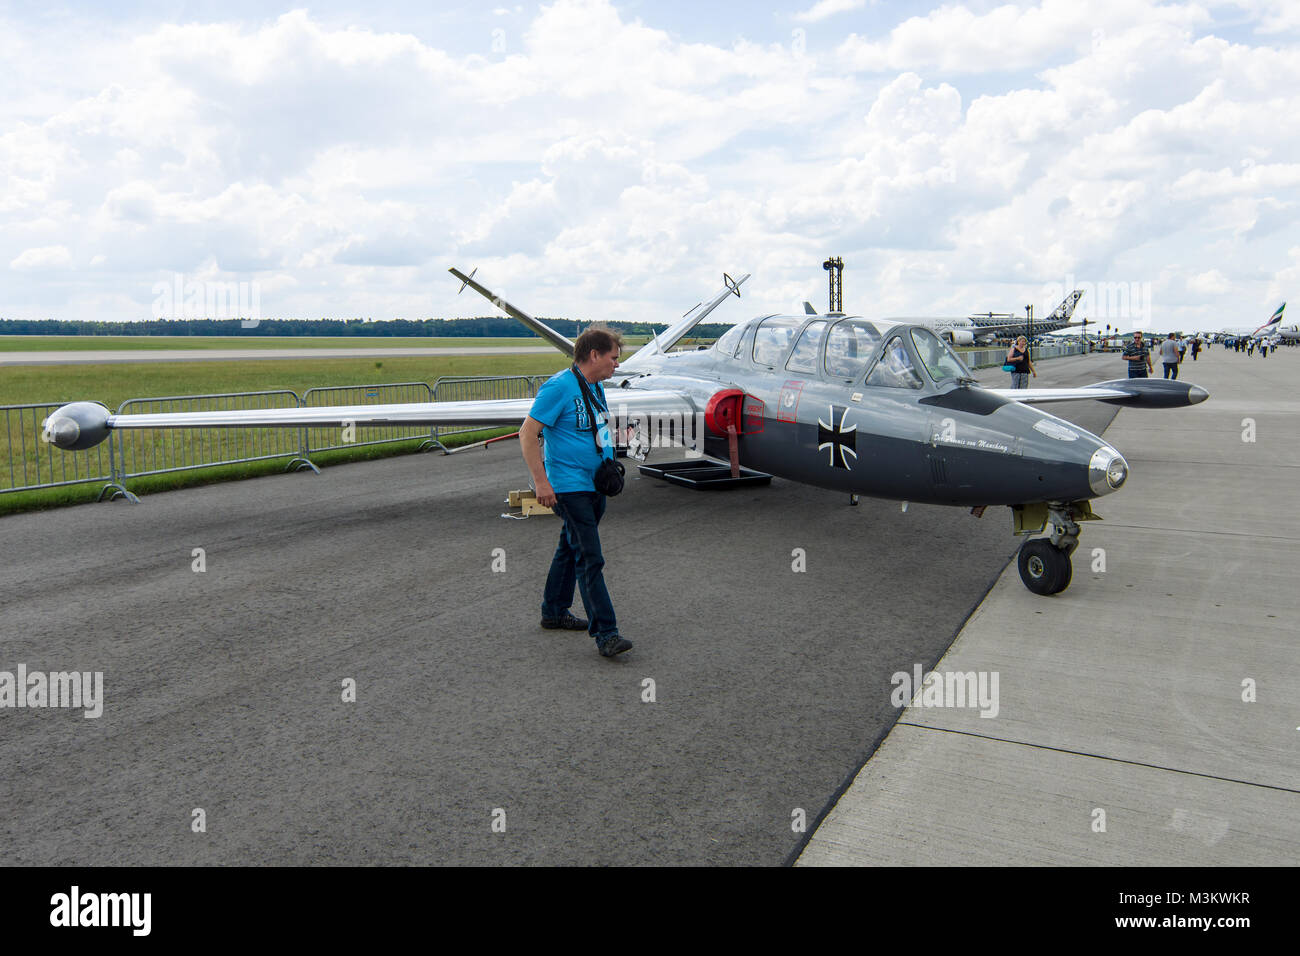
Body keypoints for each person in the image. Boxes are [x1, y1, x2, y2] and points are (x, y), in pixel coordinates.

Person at [519, 326, 633, 659]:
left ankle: (553, 611)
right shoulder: (559, 387)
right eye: (613, 358)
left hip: (595, 484)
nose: (616, 365)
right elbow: (527, 434)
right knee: (590, 558)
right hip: (569, 488)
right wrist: (542, 483)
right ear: (594, 354)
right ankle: (607, 634)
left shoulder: (596, 386)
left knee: (570, 549)